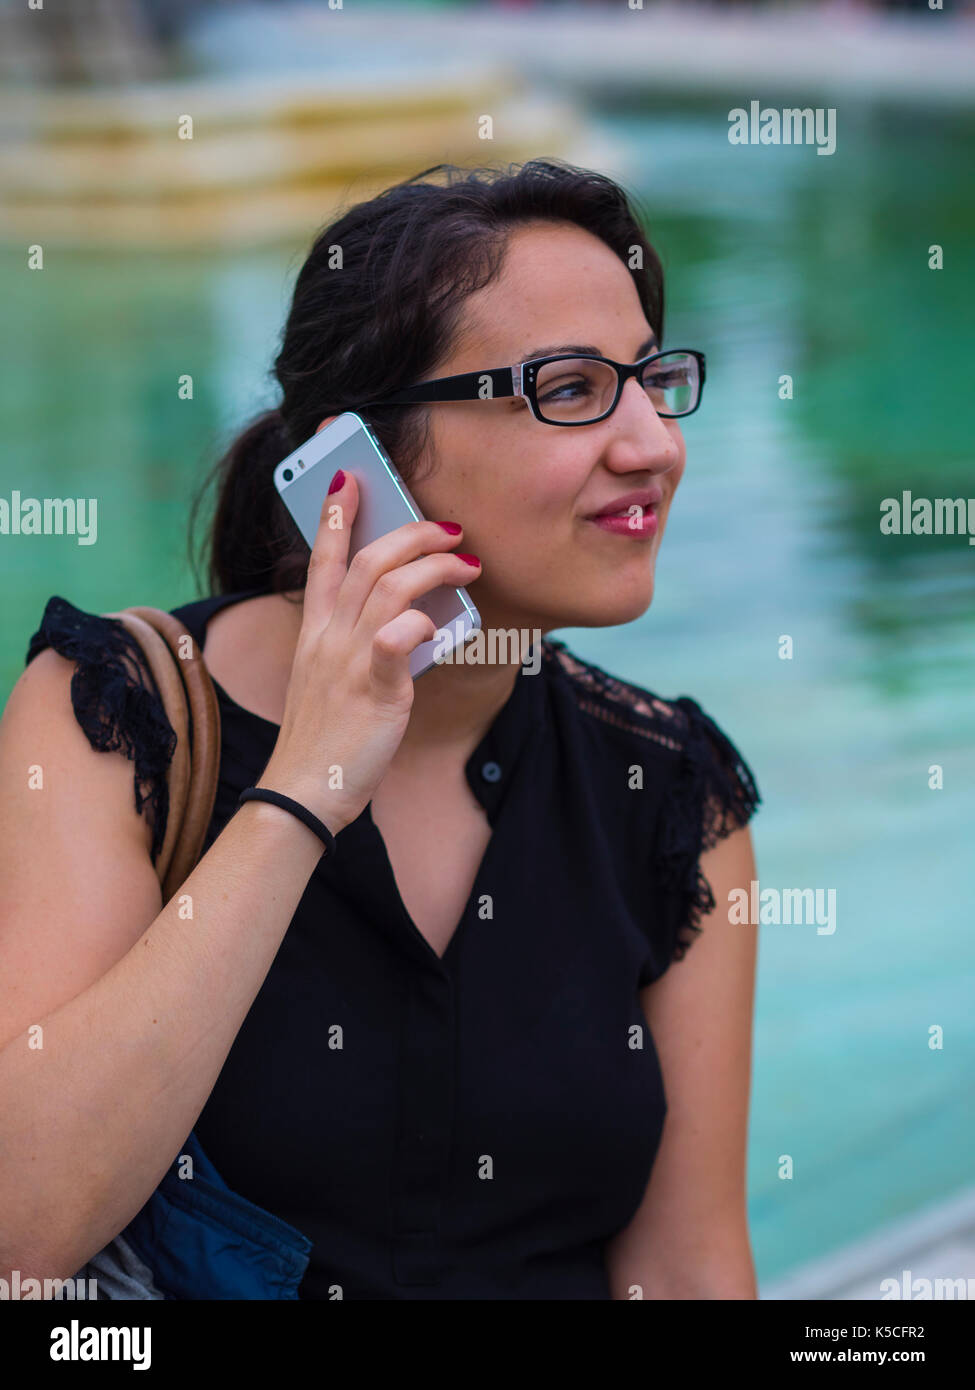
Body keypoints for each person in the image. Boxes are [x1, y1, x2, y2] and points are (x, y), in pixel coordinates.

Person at [0, 160, 761, 1301]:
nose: (652, 441)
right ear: (357, 461)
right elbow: (24, 1229)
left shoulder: (670, 792)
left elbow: (690, 1267)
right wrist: (304, 787)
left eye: (652, 378)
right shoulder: (120, 713)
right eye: (570, 388)